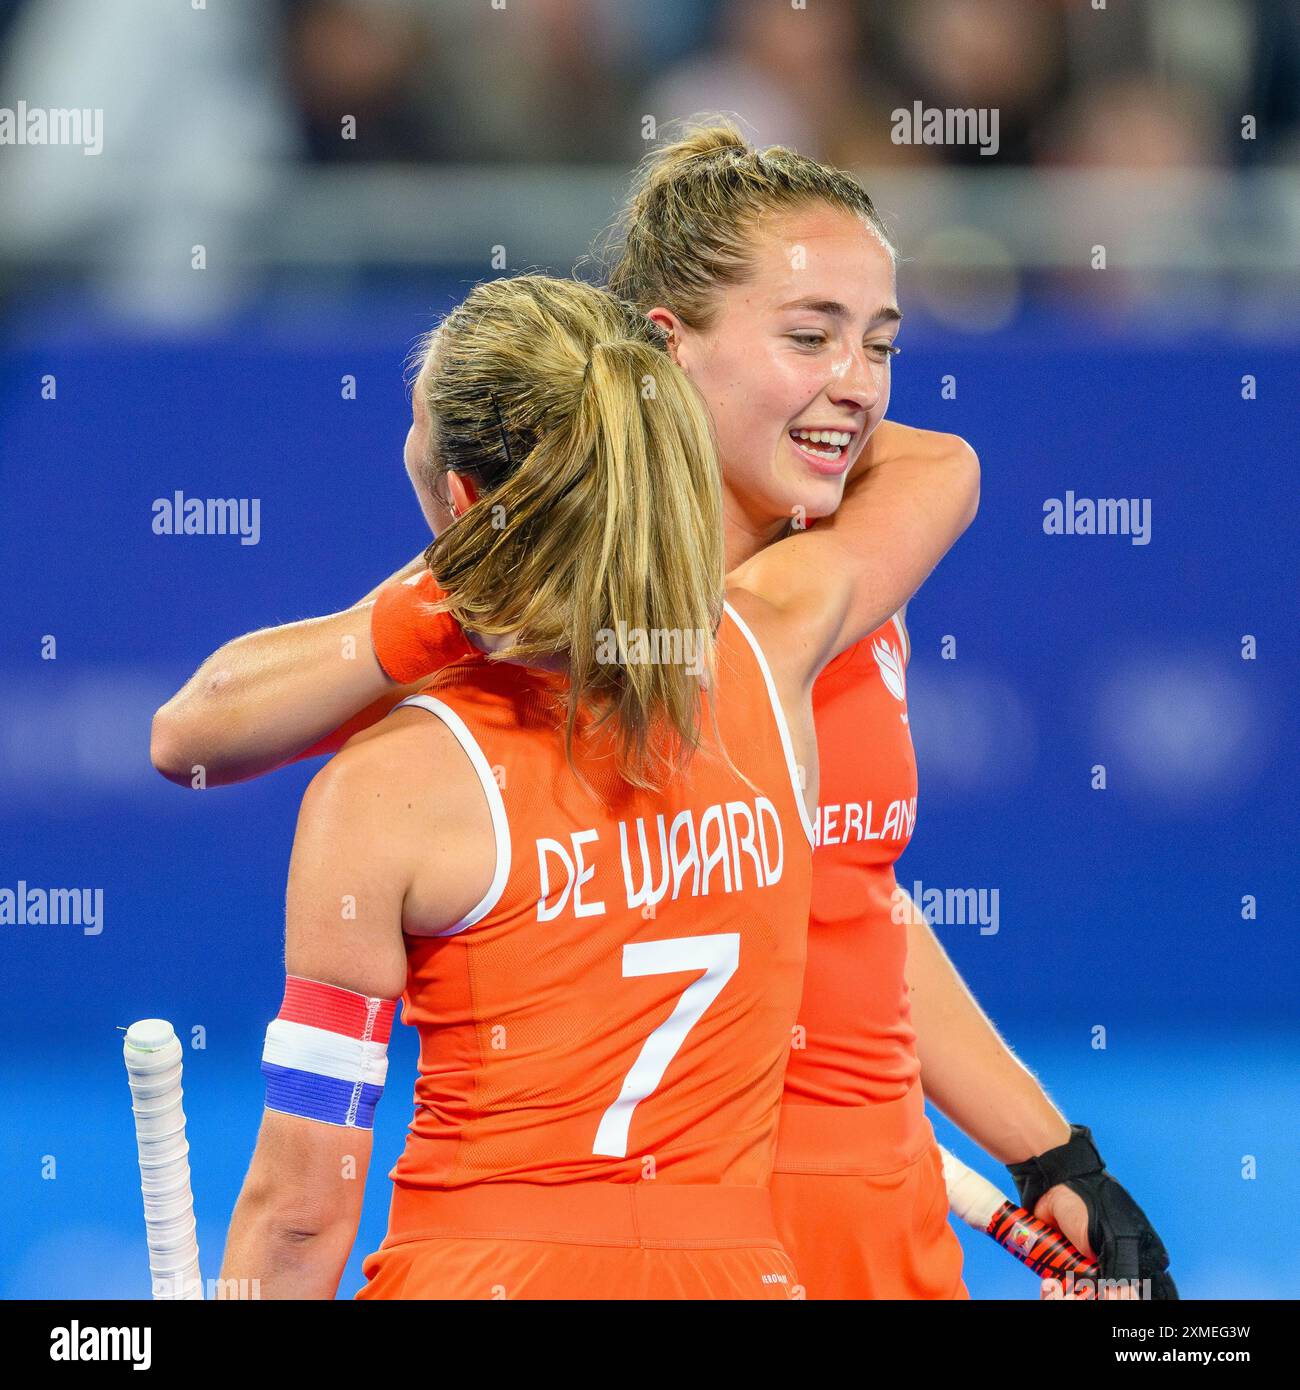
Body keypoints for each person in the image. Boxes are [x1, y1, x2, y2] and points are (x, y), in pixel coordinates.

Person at [167, 124, 1171, 1299]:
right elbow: (192, 734)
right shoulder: (567, 622)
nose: (855, 384)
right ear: (665, 348)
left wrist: (1047, 1146)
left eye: (880, 344)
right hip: (719, 1218)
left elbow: (850, 897)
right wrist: (493, 594)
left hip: (875, 1209)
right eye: (809, 336)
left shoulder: (845, 560)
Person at [216, 272, 950, 1300]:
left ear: (463, 500)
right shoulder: (780, 645)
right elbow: (940, 471)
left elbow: (300, 1214)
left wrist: (469, 594)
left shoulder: (387, 788)